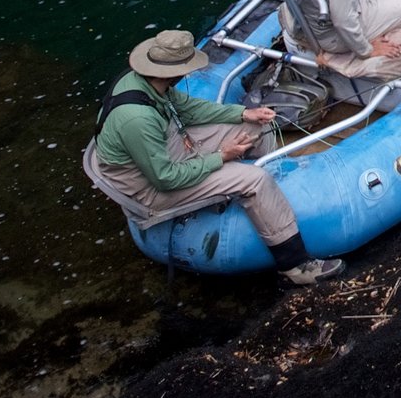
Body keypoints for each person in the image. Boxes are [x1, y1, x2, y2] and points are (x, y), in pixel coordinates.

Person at [88, 29, 343, 284]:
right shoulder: (137, 118)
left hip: (167, 150)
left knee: (255, 128)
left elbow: (188, 109)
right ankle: (296, 266)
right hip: (152, 187)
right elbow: (164, 178)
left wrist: (244, 114)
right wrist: (222, 156)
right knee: (255, 180)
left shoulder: (149, 82)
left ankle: (279, 195)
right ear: (172, 71)